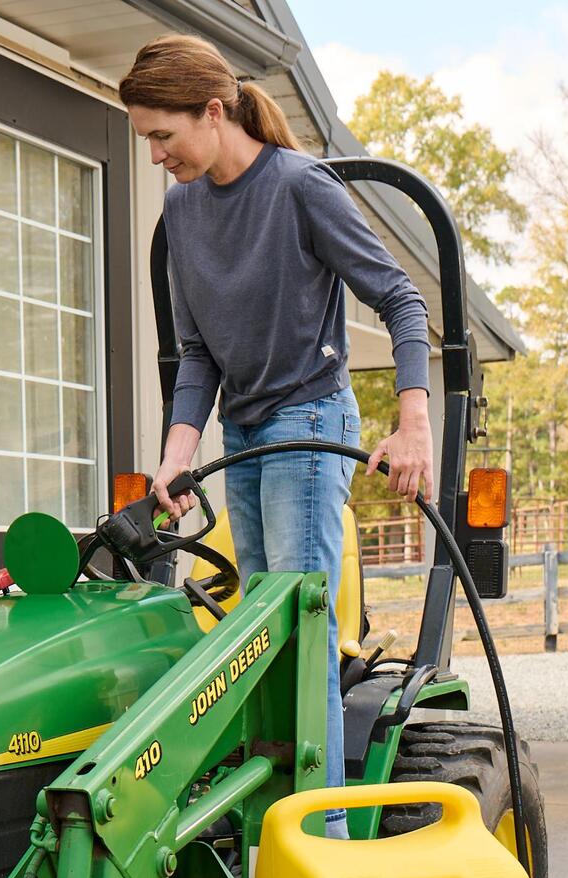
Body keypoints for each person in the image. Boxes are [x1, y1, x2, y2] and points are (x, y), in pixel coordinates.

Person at [119, 35, 434, 835]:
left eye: (164, 135)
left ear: (213, 112)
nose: (156, 155)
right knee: (255, 649)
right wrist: (177, 456)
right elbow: (197, 352)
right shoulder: (184, 208)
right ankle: (269, 833)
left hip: (310, 418)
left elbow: (400, 298)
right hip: (247, 432)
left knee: (296, 635)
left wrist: (414, 423)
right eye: (147, 140)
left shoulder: (299, 187)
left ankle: (315, 845)